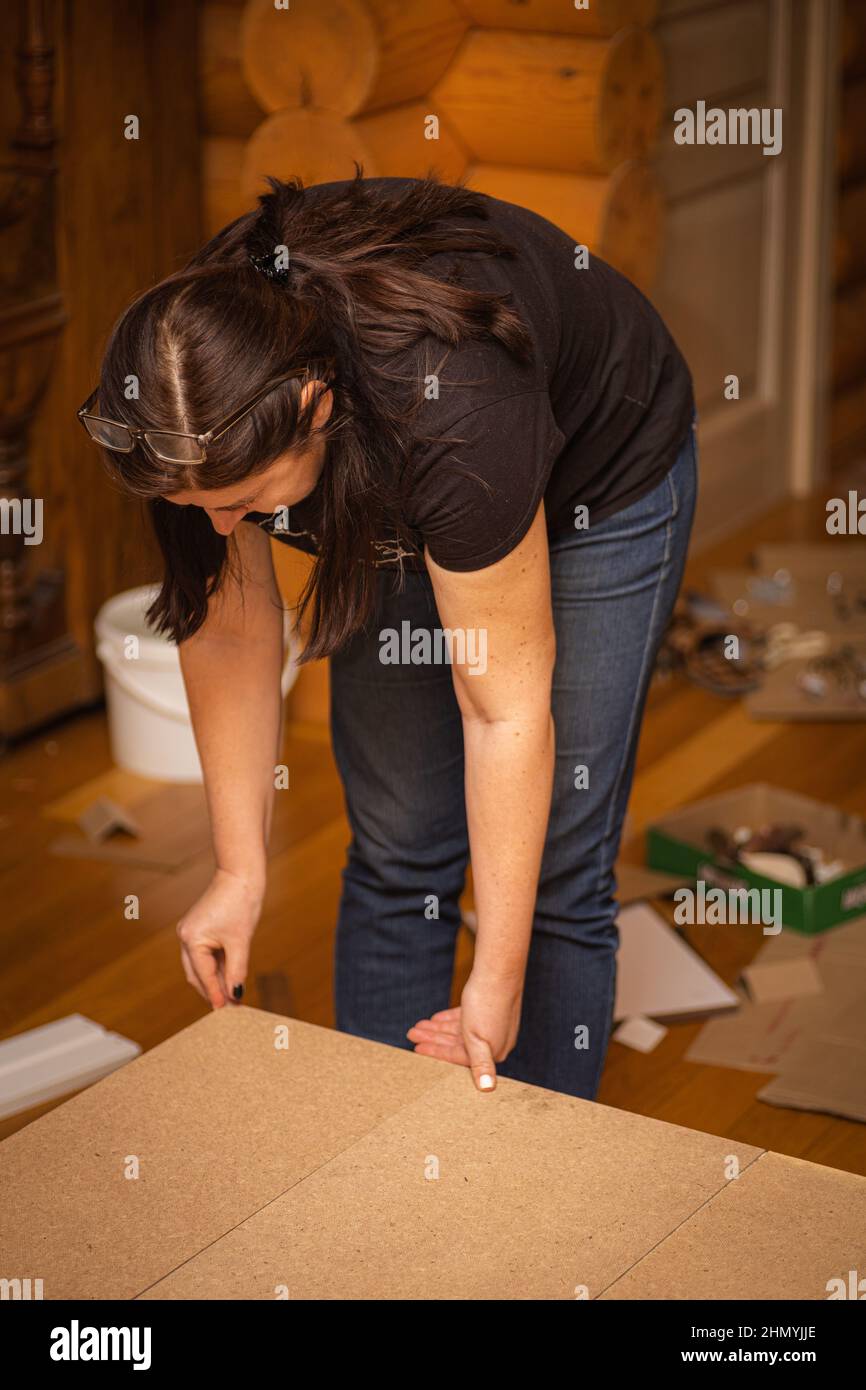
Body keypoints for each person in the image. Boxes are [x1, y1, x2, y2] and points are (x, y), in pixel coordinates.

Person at [78, 171, 697, 1099]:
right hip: (399, 485)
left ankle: (537, 1189)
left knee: (558, 869)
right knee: (401, 838)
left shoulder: (451, 409)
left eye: (244, 504)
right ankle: (379, 1177)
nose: (218, 525)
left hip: (603, 486)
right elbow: (235, 632)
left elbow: (504, 714)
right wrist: (238, 872)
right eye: (197, 506)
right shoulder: (179, 411)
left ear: (315, 408)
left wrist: (495, 983)